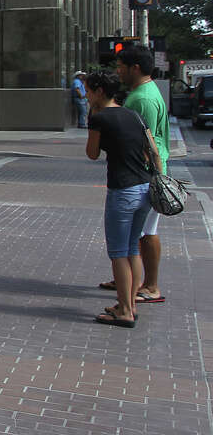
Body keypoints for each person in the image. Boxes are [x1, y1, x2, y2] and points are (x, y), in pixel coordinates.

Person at [85, 70, 153, 326]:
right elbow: (152, 152)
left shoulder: (100, 119)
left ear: (100, 91)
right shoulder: (134, 115)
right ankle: (130, 303)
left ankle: (124, 310)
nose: (86, 95)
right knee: (133, 248)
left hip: (122, 190)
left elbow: (92, 153)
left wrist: (91, 118)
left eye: (88, 90)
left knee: (118, 253)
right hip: (144, 188)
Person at [116, 45, 169, 304]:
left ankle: (149, 285)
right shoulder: (143, 93)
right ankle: (127, 278)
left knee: (146, 232)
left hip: (145, 176)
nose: (118, 71)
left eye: (121, 66)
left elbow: (145, 142)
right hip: (144, 174)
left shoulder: (143, 99)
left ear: (135, 67)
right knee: (135, 232)